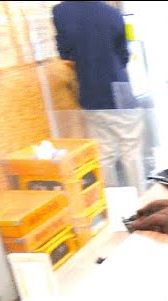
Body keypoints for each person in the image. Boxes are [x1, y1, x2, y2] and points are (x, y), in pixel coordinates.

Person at [52, 0, 145, 189]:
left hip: (89, 91)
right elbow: (123, 55)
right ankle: (139, 200)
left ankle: (111, 202)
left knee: (104, 153)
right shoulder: (112, 13)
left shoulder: (61, 11)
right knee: (131, 151)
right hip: (119, 86)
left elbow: (66, 56)